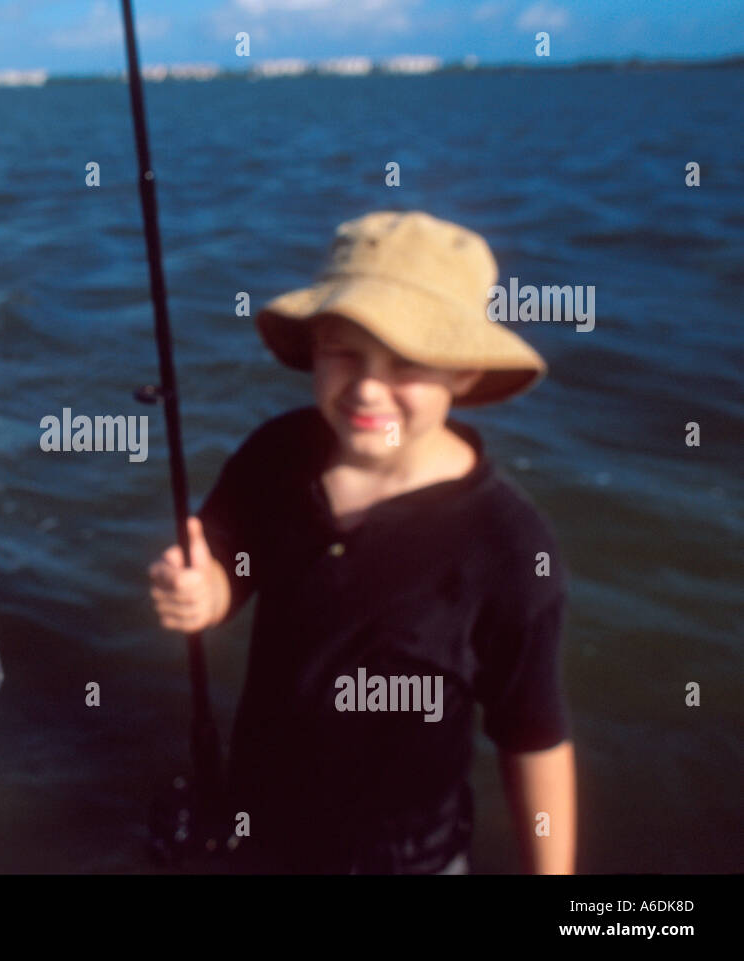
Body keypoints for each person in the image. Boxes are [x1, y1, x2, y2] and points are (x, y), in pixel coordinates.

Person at [148, 211, 576, 874]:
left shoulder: (511, 550)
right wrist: (203, 593)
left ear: (464, 372)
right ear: (313, 347)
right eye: (344, 351)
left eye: (408, 362)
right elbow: (228, 563)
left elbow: (533, 737)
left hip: (410, 859)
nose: (369, 387)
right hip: (261, 828)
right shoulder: (277, 453)